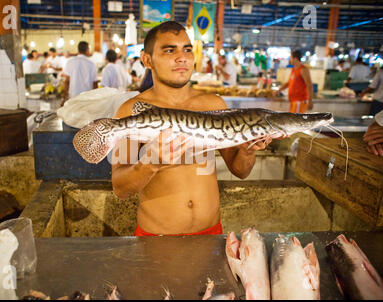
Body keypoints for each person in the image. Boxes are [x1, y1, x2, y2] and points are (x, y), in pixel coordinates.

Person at [111, 21, 275, 237]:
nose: (182, 57)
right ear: (147, 59)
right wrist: (151, 162)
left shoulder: (214, 105)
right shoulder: (131, 111)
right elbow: (120, 188)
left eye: (187, 49)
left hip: (211, 234)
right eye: (170, 50)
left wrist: (248, 149)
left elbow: (240, 171)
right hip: (157, 240)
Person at [61, 41, 97, 105]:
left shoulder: (70, 62)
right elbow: (95, 84)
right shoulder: (91, 64)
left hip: (73, 97)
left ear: (78, 49)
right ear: (87, 50)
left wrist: (64, 98)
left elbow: (67, 81)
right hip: (87, 99)